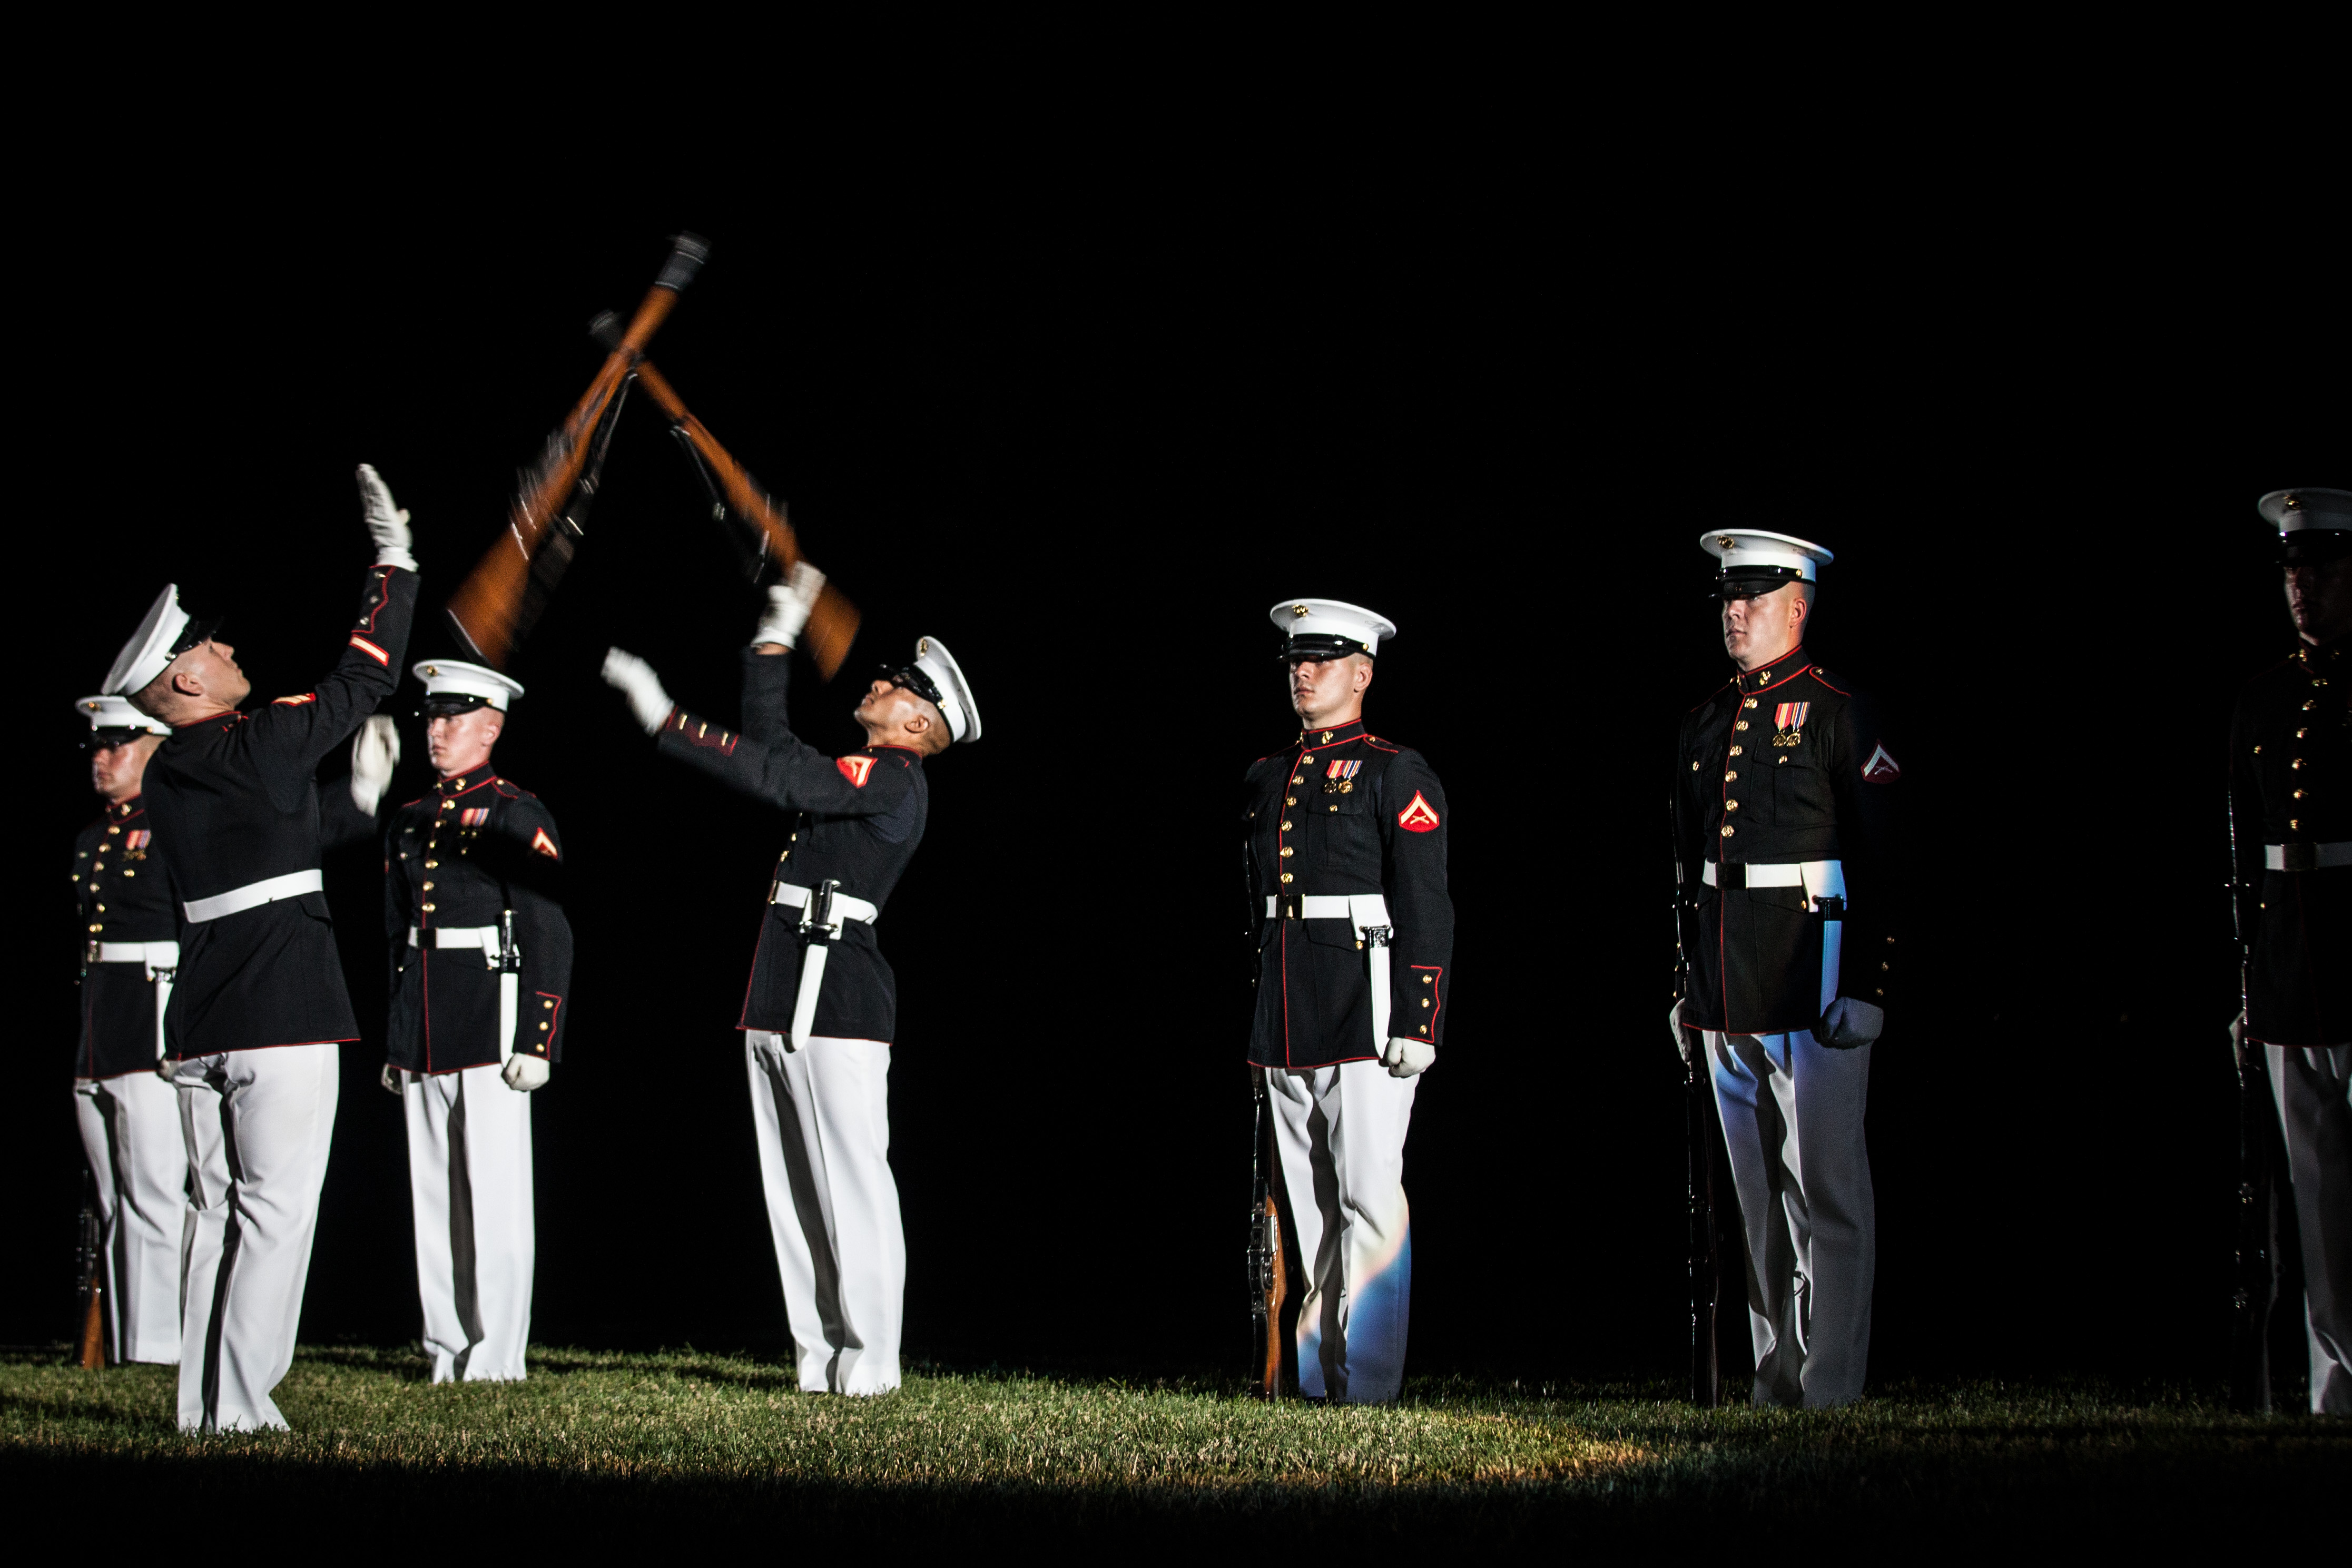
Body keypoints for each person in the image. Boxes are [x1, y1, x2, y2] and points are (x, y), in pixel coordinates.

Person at [599, 565, 979, 1396]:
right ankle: (820, 1362)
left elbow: (774, 777)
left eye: (898, 685)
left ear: (919, 720)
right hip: (782, 989)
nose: (878, 683)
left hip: (838, 999)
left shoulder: (896, 779)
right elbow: (776, 754)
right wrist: (772, 639)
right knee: (796, 1194)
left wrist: (666, 720)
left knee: (852, 1186)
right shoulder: (866, 775)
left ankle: (872, 1365)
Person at [109, 464, 418, 1432]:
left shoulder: (172, 776)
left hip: (201, 1014)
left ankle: (203, 1406)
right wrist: (394, 564)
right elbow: (367, 675)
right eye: (208, 643)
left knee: (213, 1217)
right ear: (190, 680)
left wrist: (353, 803)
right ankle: (241, 1407)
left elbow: (271, 839)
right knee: (274, 1214)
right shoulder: (262, 737)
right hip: (283, 1007)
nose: (227, 644)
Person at [1668, 530, 1901, 1409]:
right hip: (1729, 983)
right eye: (1730, 595)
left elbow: (1886, 861)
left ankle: (1830, 1384)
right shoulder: (1704, 724)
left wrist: (1872, 984)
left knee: (1828, 1190)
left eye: (1755, 595)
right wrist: (1688, 985)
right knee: (1759, 1201)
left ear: (1798, 606)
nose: (1736, 610)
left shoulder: (1841, 711)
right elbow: (1689, 873)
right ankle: (1776, 1377)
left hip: (1817, 977)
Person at [1242, 599, 1452, 1405]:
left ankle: (1364, 1385)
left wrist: (1419, 1016)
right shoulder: (1268, 774)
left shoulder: (1395, 770)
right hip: (1289, 1008)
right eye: (1297, 659)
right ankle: (1316, 1376)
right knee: (1311, 1207)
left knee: (1367, 1199)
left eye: (1322, 660)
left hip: (1365, 1008)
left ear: (1361, 674)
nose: (1303, 672)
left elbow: (1426, 900)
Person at [379, 658, 569, 1384]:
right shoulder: (409, 819)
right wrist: (398, 1042)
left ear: (490, 728)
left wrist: (538, 1037)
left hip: (491, 1015)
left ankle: (496, 1355)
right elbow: (399, 936)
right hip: (427, 1021)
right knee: (435, 1199)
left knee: (494, 1197)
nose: (437, 730)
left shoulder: (516, 812)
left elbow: (550, 930)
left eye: (453, 718)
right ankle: (445, 1347)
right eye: (432, 716)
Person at [2229, 487, 2351, 1415]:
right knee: (2316, 1204)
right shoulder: (2265, 698)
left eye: (2319, 566)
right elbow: (2244, 852)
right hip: (2287, 966)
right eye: (2292, 569)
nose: (2302, 584)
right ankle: (2332, 1386)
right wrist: (2248, 982)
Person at [68, 694, 183, 1365]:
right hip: (99, 1023)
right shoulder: (92, 838)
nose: (103, 758)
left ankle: (158, 1344)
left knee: (155, 1190)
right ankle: (120, 1339)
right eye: (98, 746)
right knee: (114, 1196)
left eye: (119, 744)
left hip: (149, 1019)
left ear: (154, 748)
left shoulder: (171, 826)